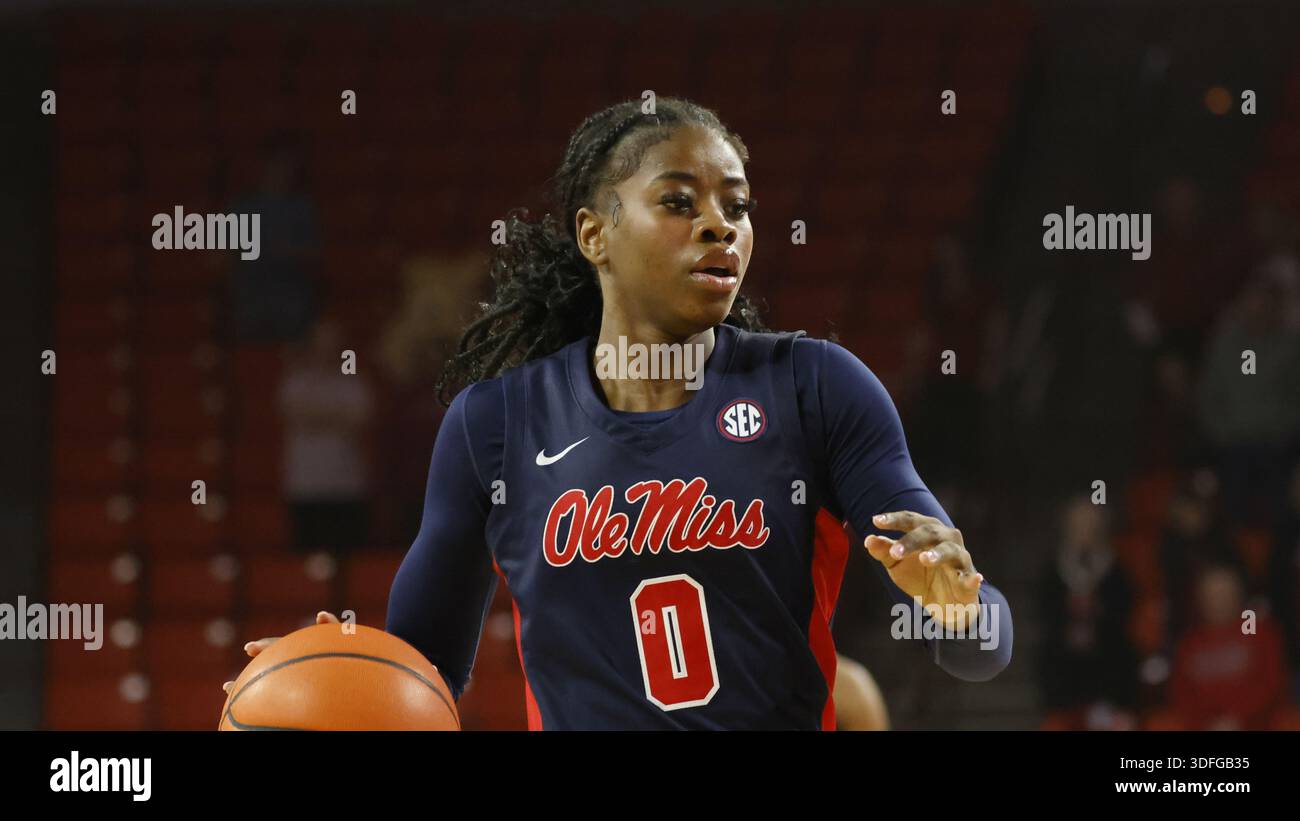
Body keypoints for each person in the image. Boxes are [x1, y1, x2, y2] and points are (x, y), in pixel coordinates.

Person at [226, 97, 1013, 729]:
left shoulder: (816, 388)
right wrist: (336, 669)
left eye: (736, 206)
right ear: (595, 234)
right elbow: (418, 671)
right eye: (679, 200)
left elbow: (984, 647)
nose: (720, 224)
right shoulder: (493, 426)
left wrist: (959, 606)